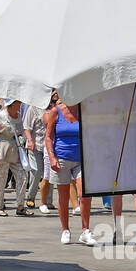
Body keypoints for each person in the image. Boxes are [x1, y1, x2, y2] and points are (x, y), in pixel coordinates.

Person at [47, 100, 86, 245]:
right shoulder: (56, 111)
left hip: (81, 159)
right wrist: (51, 157)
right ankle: (65, 229)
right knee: (63, 196)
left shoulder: (84, 109)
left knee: (84, 194)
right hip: (61, 157)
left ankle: (85, 230)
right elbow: (49, 136)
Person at [0, 99, 28, 216]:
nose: (20, 104)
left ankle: (20, 206)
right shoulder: (0, 117)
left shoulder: (19, 116)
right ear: (12, 104)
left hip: (16, 150)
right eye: (18, 102)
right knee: (0, 179)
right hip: (2, 150)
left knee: (23, 177)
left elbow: (20, 132)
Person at [24, 99, 52, 213]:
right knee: (37, 171)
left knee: (49, 173)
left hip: (49, 146)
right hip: (35, 145)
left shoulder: (54, 108)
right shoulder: (33, 108)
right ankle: (31, 197)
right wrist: (30, 140)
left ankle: (48, 200)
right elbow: (26, 127)